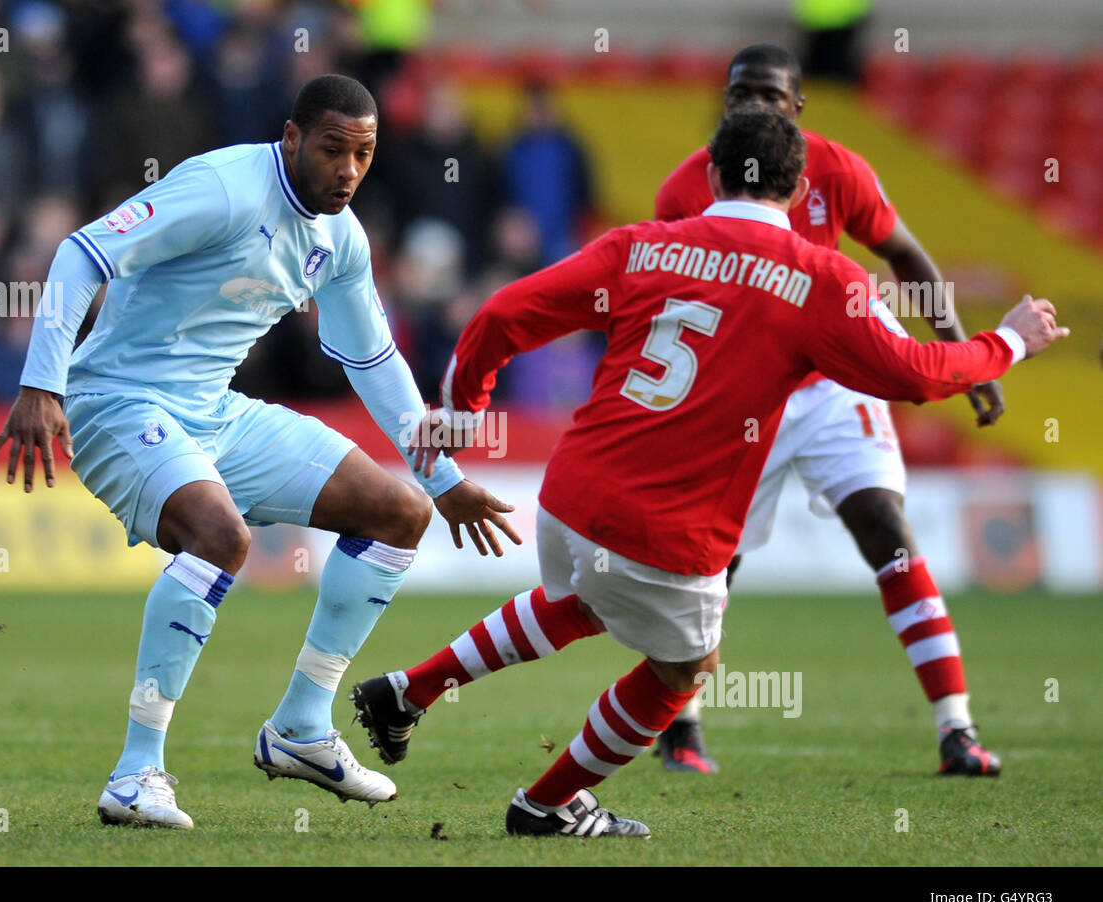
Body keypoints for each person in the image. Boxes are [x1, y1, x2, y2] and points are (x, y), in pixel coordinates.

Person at [351, 107, 1065, 837]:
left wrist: (463, 411)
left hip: (568, 499)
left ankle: (408, 691)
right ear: (796, 194)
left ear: (714, 174)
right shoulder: (823, 278)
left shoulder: (641, 245)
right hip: (668, 525)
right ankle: (549, 804)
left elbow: (504, 311)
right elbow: (918, 373)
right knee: (684, 672)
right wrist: (1008, 339)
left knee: (589, 602)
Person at [0, 74, 519, 830]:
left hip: (215, 414)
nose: (348, 170)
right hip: (117, 404)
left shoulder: (341, 238)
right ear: (293, 138)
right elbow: (82, 252)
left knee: (399, 513)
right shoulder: (223, 188)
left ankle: (302, 728)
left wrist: (442, 479)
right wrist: (43, 381)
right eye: (333, 149)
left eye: (363, 155)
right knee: (222, 537)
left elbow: (372, 362)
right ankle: (136, 774)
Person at [651, 43, 1003, 776]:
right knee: (712, 565)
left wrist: (958, 348)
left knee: (886, 528)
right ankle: (681, 724)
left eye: (770, 97)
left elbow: (905, 255)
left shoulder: (838, 171)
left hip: (833, 386)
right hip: (743, 394)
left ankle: (956, 729)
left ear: (798, 108)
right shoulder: (688, 186)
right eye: (739, 94)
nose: (752, 108)